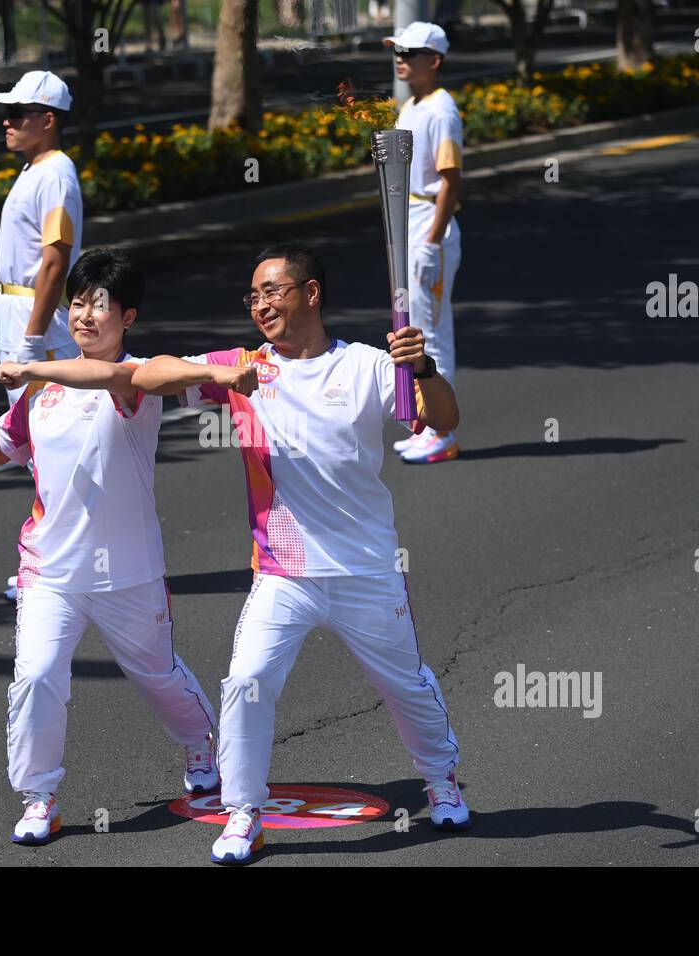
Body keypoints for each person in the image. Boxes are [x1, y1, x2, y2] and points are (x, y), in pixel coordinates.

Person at [132, 244, 470, 865]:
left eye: (272, 291)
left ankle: (441, 780)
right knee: (249, 680)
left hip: (366, 568)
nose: (261, 305)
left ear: (310, 294)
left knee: (403, 685)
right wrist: (212, 376)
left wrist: (422, 370)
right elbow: (145, 374)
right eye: (253, 295)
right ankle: (241, 810)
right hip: (283, 573)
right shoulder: (245, 366)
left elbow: (441, 419)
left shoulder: (370, 366)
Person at [0, 249, 221, 848]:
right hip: (50, 569)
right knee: (36, 674)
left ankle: (200, 746)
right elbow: (0, 451)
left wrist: (35, 370)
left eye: (100, 305)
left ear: (128, 316)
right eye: (78, 302)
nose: (85, 315)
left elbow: (112, 379)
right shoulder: (42, 390)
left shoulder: (137, 377)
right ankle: (39, 797)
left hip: (130, 571)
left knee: (157, 675)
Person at [0, 70, 84, 600]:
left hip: (37, 321)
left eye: (18, 113)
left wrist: (30, 339)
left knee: (52, 442)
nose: (7, 120)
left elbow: (54, 261)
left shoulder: (57, 174)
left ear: (47, 121)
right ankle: (55, 558)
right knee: (39, 444)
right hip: (19, 312)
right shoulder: (35, 170)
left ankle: (50, 563)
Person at [385, 21, 463, 464]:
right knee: (414, 329)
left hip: (430, 225)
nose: (401, 58)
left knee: (431, 335)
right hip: (411, 221)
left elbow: (451, 180)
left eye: (410, 52)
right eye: (397, 50)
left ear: (433, 60)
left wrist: (432, 243)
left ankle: (443, 432)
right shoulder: (413, 105)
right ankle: (427, 423)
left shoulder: (441, 110)